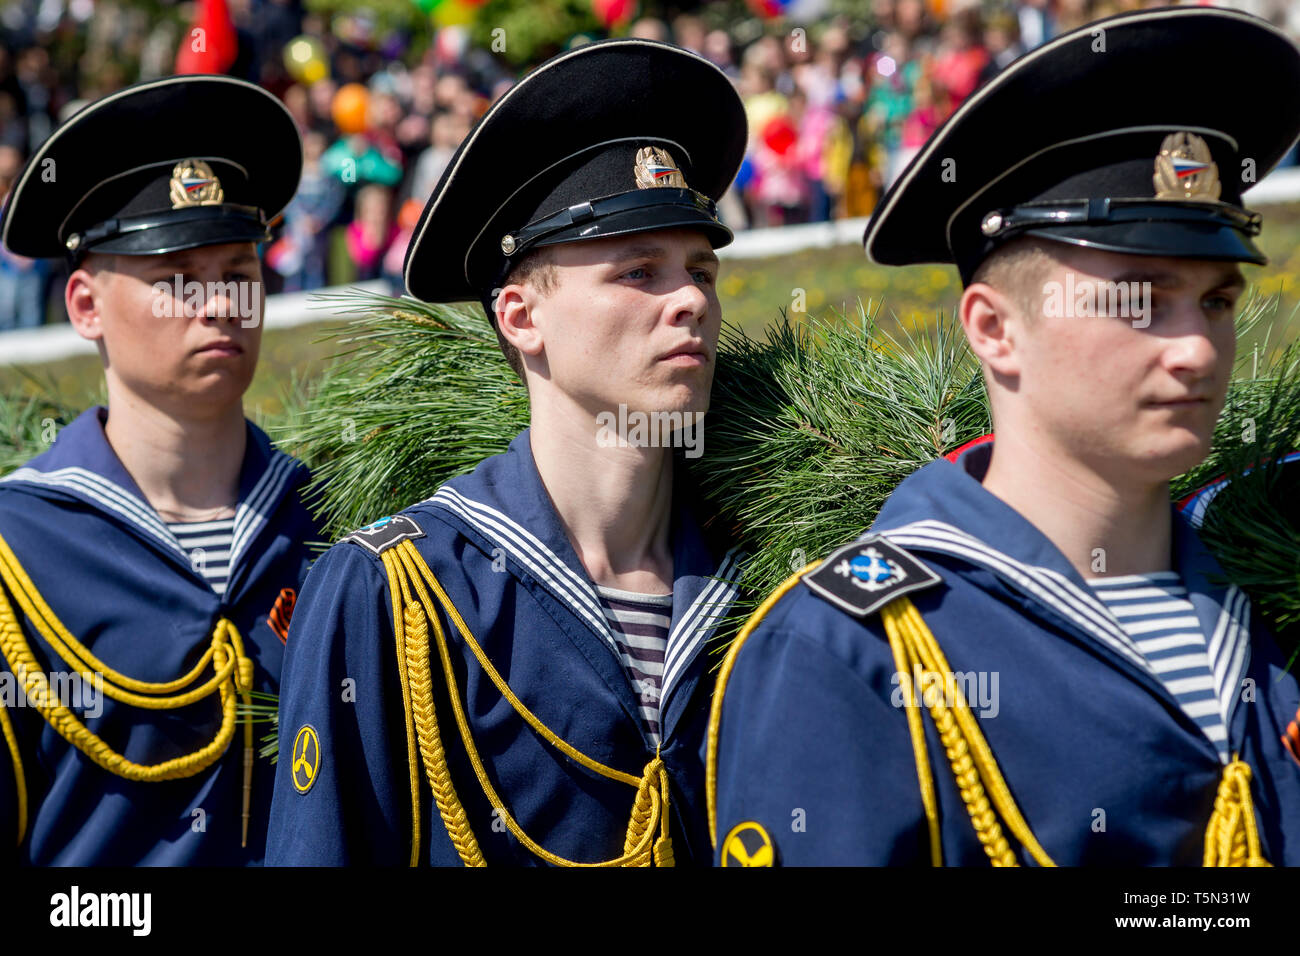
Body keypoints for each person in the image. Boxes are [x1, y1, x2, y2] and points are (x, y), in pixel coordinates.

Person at [708, 6, 1300, 867]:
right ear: (993, 330)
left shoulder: (1253, 581)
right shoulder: (854, 647)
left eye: (1215, 301)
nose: (1196, 347)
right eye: (1141, 297)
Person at [265, 38, 749, 867]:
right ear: (521, 317)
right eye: (639, 271)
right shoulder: (396, 592)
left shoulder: (763, 573)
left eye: (700, 269)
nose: (690, 304)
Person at [0, 75, 320, 864]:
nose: (217, 304)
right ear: (84, 306)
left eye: (239, 273)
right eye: (176, 278)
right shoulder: (18, 551)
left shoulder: (330, 520)